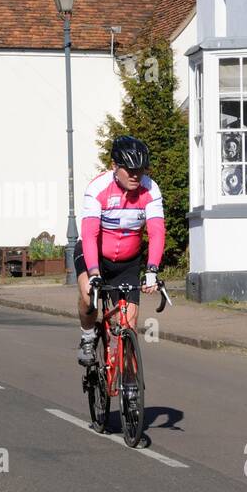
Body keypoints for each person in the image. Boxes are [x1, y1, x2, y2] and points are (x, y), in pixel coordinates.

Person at [76, 135, 164, 365]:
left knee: (130, 323)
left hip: (128, 259)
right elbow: (90, 234)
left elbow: (156, 232)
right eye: (130, 170)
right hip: (95, 254)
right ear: (115, 166)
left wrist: (152, 270)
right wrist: (94, 273)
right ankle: (87, 336)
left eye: (141, 170)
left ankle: (129, 383)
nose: (136, 175)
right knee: (88, 296)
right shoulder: (97, 188)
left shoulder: (150, 190)